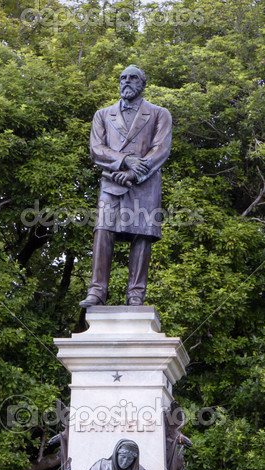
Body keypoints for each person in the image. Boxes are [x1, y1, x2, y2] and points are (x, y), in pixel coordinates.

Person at [81, 65, 173, 308]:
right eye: (123, 78)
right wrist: (123, 161)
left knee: (141, 234)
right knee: (103, 230)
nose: (127, 82)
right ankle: (97, 291)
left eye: (133, 78)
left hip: (145, 182)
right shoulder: (103, 114)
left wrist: (133, 173)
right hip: (111, 181)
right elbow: (96, 149)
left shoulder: (159, 114)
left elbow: (160, 150)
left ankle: (135, 294)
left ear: (143, 84)